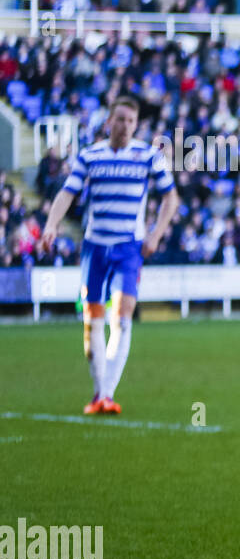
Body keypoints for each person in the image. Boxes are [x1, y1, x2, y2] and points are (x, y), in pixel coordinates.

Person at [39, 95, 179, 414]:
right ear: (109, 122)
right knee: (92, 321)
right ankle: (100, 392)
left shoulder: (148, 156)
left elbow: (171, 198)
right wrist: (51, 225)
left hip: (129, 247)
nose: (126, 126)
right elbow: (67, 193)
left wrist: (156, 234)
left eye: (132, 121)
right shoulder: (91, 155)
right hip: (95, 247)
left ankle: (106, 394)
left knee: (123, 314)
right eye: (121, 119)